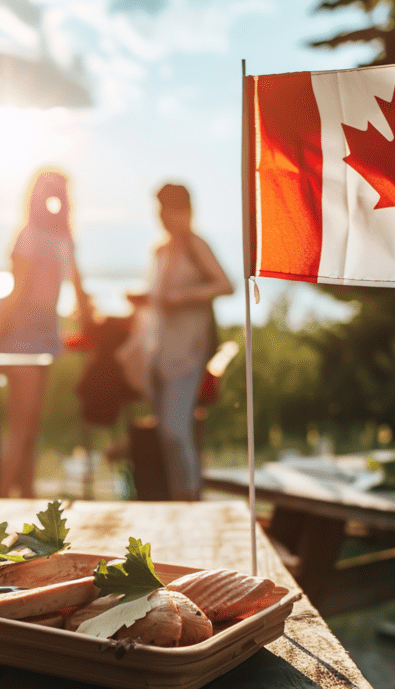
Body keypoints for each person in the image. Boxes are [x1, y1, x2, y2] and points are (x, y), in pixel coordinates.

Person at [0, 168, 91, 498]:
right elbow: (19, 292)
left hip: (43, 335)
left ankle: (24, 499)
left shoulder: (62, 236)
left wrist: (86, 321)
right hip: (23, 336)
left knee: (28, 427)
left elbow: (77, 287)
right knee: (21, 427)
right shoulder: (31, 235)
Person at [125, 182, 233, 501]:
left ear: (185, 211)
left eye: (171, 209)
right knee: (165, 433)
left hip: (188, 351)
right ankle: (178, 497)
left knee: (175, 431)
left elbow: (225, 285)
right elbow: (160, 297)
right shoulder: (160, 250)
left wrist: (183, 297)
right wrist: (145, 299)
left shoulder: (195, 246)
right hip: (159, 350)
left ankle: (191, 498)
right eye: (161, 210)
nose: (165, 217)